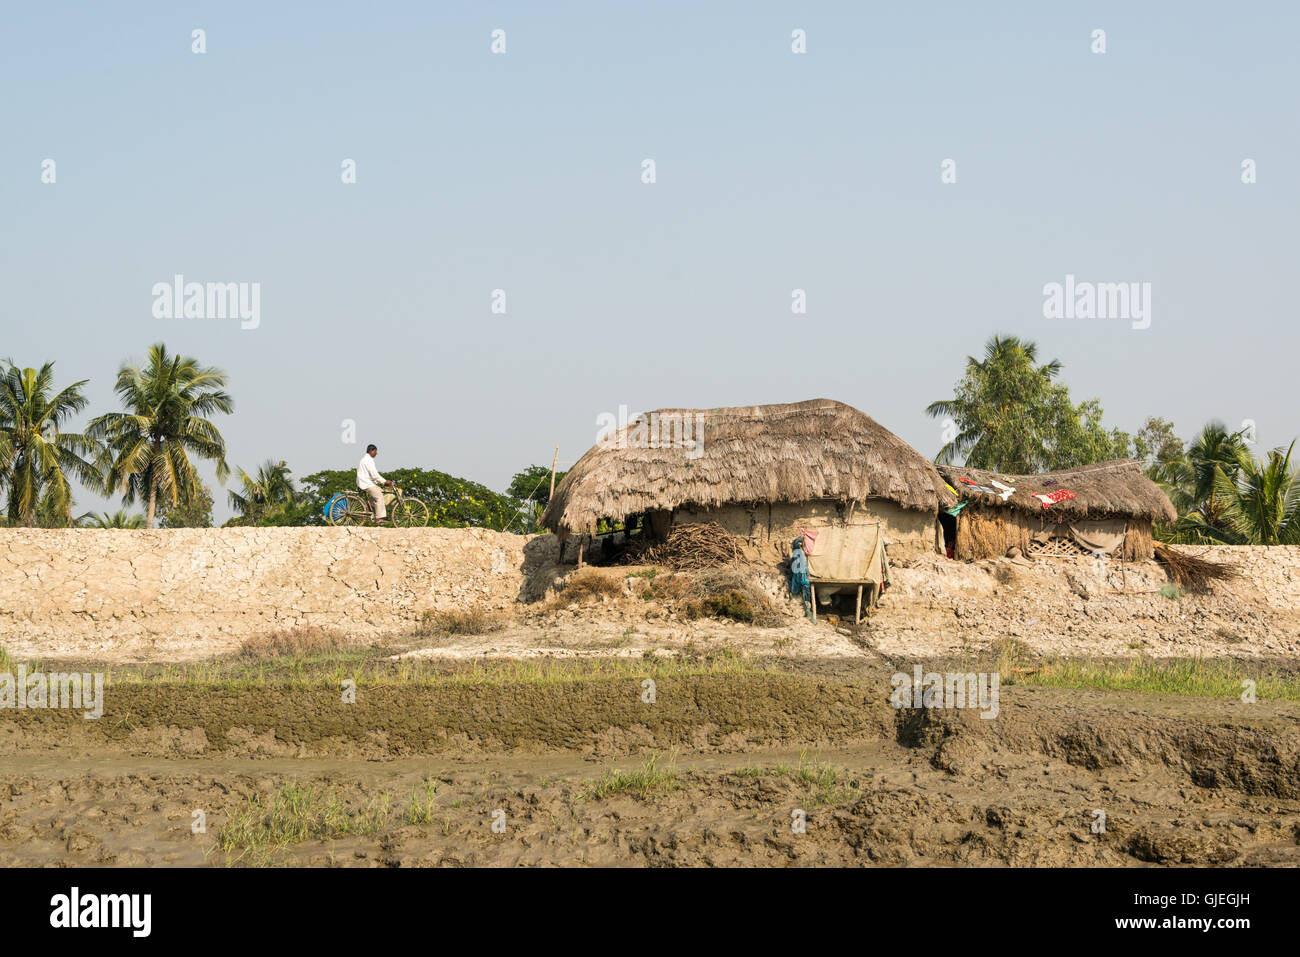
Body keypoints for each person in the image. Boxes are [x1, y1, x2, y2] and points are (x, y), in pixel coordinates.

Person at [357, 444, 392, 521]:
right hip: (366, 483)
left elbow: (372, 475)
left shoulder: (365, 459)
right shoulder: (368, 460)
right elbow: (374, 475)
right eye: (375, 451)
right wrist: (384, 481)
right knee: (379, 497)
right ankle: (379, 518)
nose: (376, 453)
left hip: (365, 482)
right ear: (371, 451)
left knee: (379, 491)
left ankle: (374, 511)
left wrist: (381, 482)